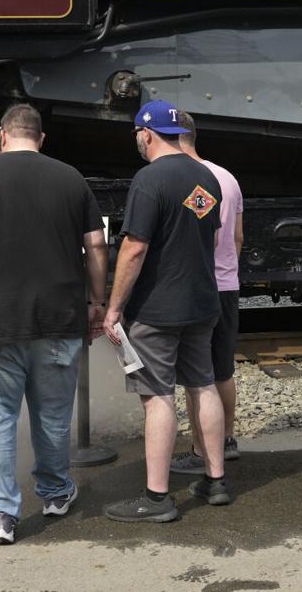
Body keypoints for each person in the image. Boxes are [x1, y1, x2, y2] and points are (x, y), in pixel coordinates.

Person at [0, 104, 110, 545]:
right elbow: (96, 244)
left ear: (1, 135)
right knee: (53, 415)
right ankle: (54, 493)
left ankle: (0, 516)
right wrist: (98, 300)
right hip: (58, 317)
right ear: (41, 138)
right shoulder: (70, 178)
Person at [102, 100, 228, 523]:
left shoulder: (149, 178)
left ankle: (157, 499)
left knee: (158, 398)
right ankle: (215, 481)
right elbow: (208, 240)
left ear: (148, 133)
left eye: (137, 134)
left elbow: (134, 249)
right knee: (203, 385)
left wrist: (114, 308)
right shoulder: (206, 177)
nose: (137, 140)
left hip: (157, 310)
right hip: (202, 302)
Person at [169, 110, 245, 476]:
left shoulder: (190, 180)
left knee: (197, 375)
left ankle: (201, 450)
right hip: (227, 284)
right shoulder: (228, 178)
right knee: (223, 370)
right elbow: (237, 238)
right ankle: (227, 439)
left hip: (198, 287)